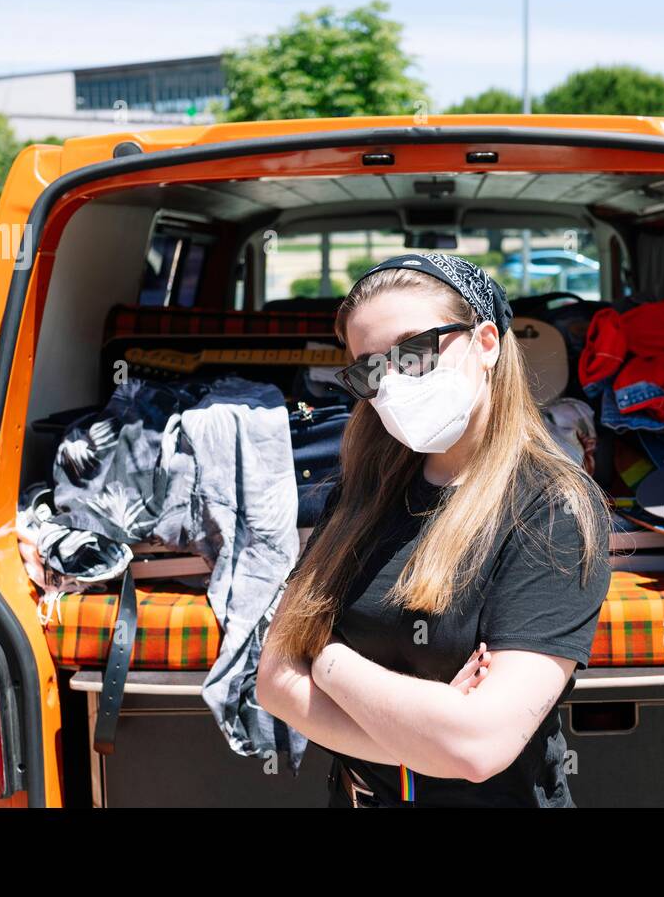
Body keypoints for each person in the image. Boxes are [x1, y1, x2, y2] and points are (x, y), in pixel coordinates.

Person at [257, 252, 611, 807]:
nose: (392, 383)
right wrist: (430, 734)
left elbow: (477, 747)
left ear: (486, 343)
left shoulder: (551, 508)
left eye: (415, 351)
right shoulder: (363, 493)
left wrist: (329, 662)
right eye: (370, 369)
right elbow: (275, 679)